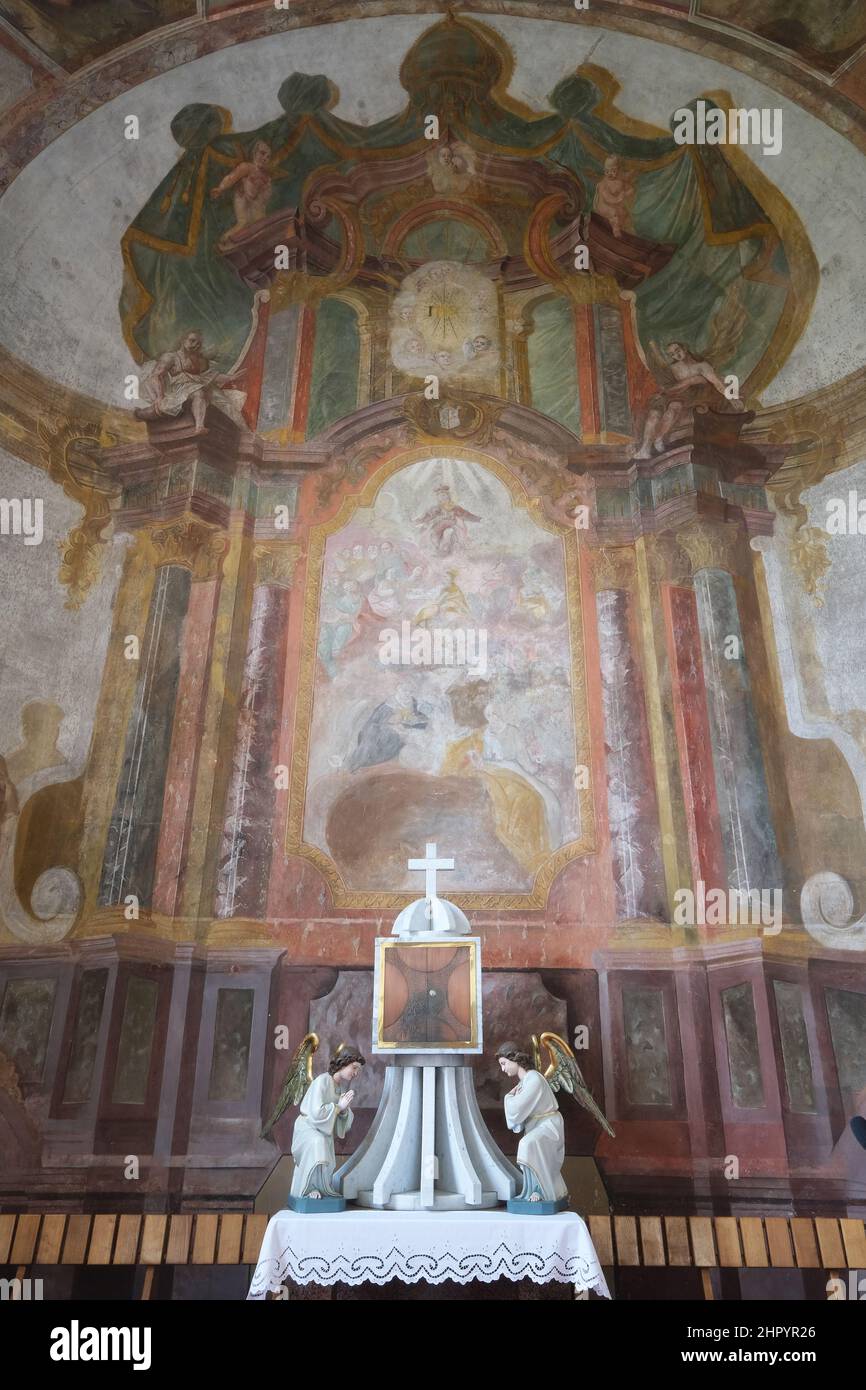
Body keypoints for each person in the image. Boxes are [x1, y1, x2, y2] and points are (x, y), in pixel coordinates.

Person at [634, 340, 745, 459]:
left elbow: (717, 383)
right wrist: (689, 381)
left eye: (677, 351)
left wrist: (732, 399)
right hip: (675, 394)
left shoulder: (701, 366)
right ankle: (646, 448)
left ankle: (658, 438)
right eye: (672, 354)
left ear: (685, 349)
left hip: (692, 396)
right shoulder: (673, 368)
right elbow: (667, 385)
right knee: (659, 412)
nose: (676, 355)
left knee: (672, 410)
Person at [289, 1049, 365, 1200]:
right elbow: (316, 1112)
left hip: (321, 1130)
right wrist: (339, 1107)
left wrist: (343, 1110)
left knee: (323, 1142)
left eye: (358, 1070)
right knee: (318, 1142)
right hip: (308, 1128)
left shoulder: (338, 1088)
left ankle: (321, 1188)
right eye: (354, 1067)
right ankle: (308, 1188)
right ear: (343, 1063)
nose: (356, 1073)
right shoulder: (322, 1081)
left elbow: (341, 1121)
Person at [497, 1041, 567, 1203]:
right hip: (537, 1125)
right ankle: (533, 1189)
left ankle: (542, 1191)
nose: (503, 1069)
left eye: (504, 1063)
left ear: (514, 1059)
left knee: (527, 1145)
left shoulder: (534, 1078)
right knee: (530, 1148)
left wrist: (508, 1097)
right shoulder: (525, 1081)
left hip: (549, 1126)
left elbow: (517, 1109)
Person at [142, 330, 247, 433]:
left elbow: (210, 376)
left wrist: (231, 378)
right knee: (198, 392)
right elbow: (156, 376)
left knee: (224, 401)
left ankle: (245, 430)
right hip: (178, 389)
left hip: (198, 384)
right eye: (192, 341)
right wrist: (159, 397)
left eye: (198, 344)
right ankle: (199, 426)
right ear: (183, 340)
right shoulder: (170, 357)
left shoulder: (199, 360)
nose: (195, 345)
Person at [210, 140, 273, 237]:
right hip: (243, 199)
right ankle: (225, 241)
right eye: (262, 153)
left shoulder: (266, 177)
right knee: (243, 223)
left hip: (256, 205)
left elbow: (265, 198)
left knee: (261, 222)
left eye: (268, 157)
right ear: (255, 153)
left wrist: (264, 191)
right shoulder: (247, 167)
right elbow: (232, 177)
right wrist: (221, 188)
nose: (265, 158)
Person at [592, 155, 636, 239]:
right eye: (607, 171)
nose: (610, 174)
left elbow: (630, 189)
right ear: (604, 171)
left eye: (613, 171)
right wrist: (619, 198)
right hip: (604, 206)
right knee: (614, 213)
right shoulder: (603, 184)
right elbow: (607, 198)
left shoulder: (619, 181)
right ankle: (616, 230)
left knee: (625, 214)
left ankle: (629, 233)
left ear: (618, 170)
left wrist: (626, 193)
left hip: (616, 205)